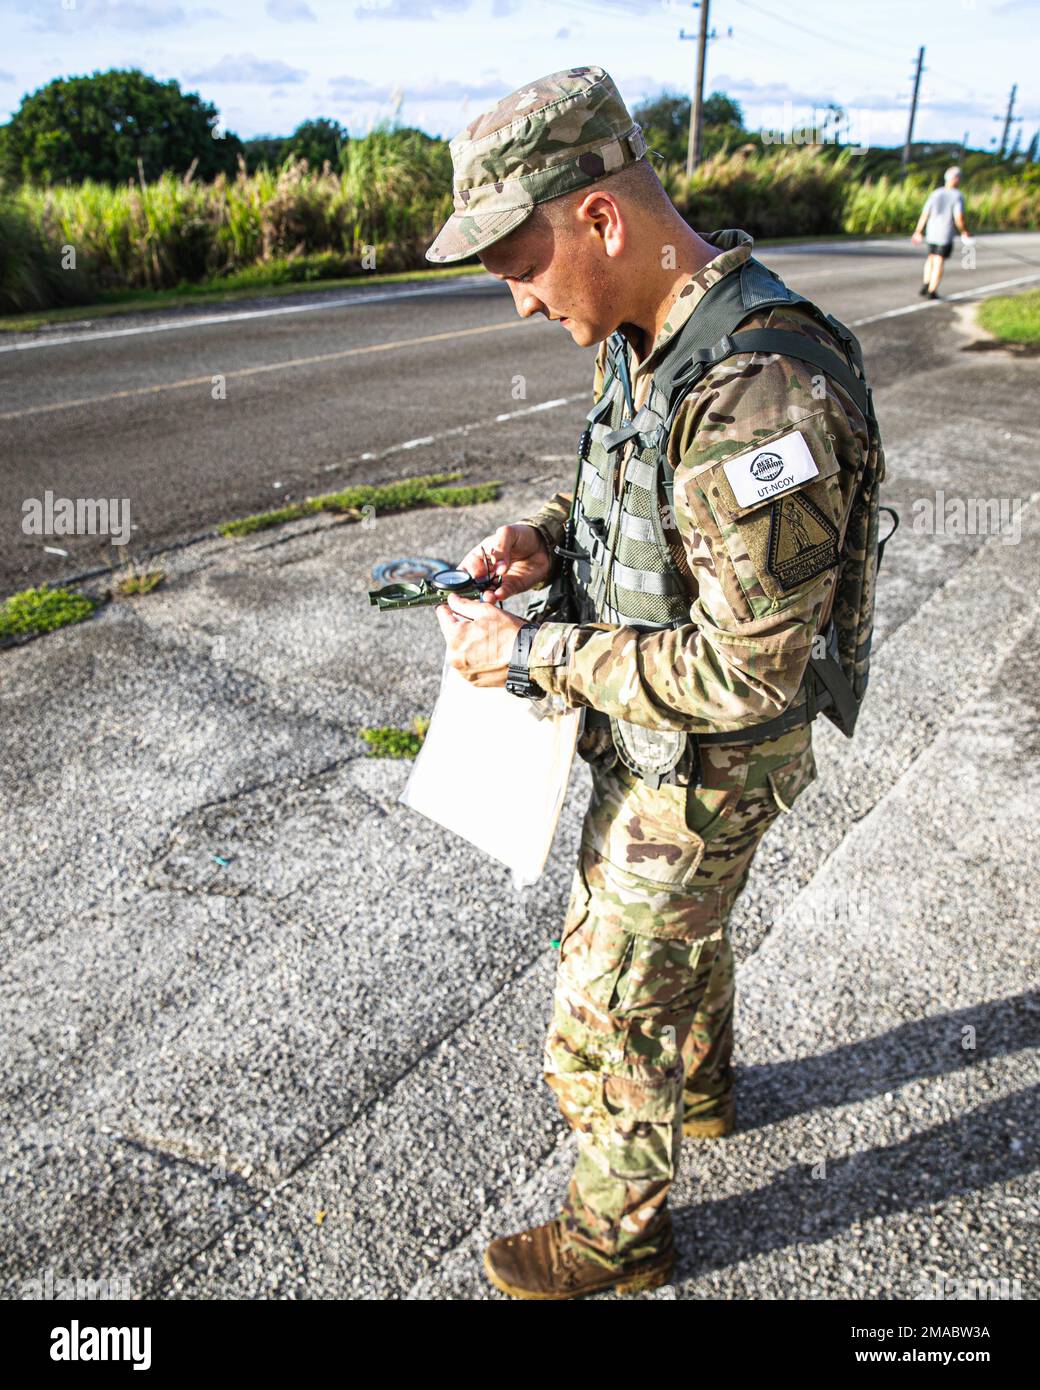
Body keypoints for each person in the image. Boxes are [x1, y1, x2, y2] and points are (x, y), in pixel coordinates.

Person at [425, 66, 877, 1299]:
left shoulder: (756, 392)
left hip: (711, 748)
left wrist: (527, 655)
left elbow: (744, 667)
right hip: (662, 725)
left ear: (600, 221)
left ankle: (615, 1243)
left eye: (517, 265)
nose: (517, 302)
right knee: (686, 932)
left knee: (610, 994)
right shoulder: (652, 337)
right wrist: (542, 536)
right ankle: (712, 1089)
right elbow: (633, 499)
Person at [912, 166, 971, 298]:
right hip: (944, 234)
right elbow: (959, 218)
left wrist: (918, 231)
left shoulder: (935, 193)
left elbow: (925, 214)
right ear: (955, 179)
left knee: (931, 258)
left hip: (931, 232)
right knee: (939, 261)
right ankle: (932, 290)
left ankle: (926, 283)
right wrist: (964, 231)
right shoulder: (957, 196)